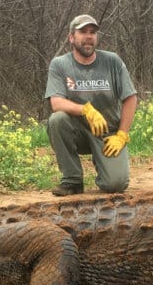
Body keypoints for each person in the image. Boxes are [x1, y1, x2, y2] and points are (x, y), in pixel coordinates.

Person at [44, 14, 138, 196]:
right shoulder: (60, 64)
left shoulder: (112, 61)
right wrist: (86, 110)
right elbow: (56, 102)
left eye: (93, 32)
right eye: (83, 32)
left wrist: (122, 134)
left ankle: (106, 169)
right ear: (71, 37)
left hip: (107, 134)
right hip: (77, 131)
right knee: (57, 120)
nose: (89, 36)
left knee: (115, 185)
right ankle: (72, 180)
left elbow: (130, 98)